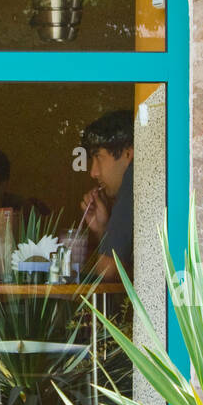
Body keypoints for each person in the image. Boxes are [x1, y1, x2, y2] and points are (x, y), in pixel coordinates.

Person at [79, 110, 134, 279]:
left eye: (98, 157)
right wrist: (103, 229)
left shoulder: (134, 180)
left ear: (127, 154)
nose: (93, 172)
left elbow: (108, 270)